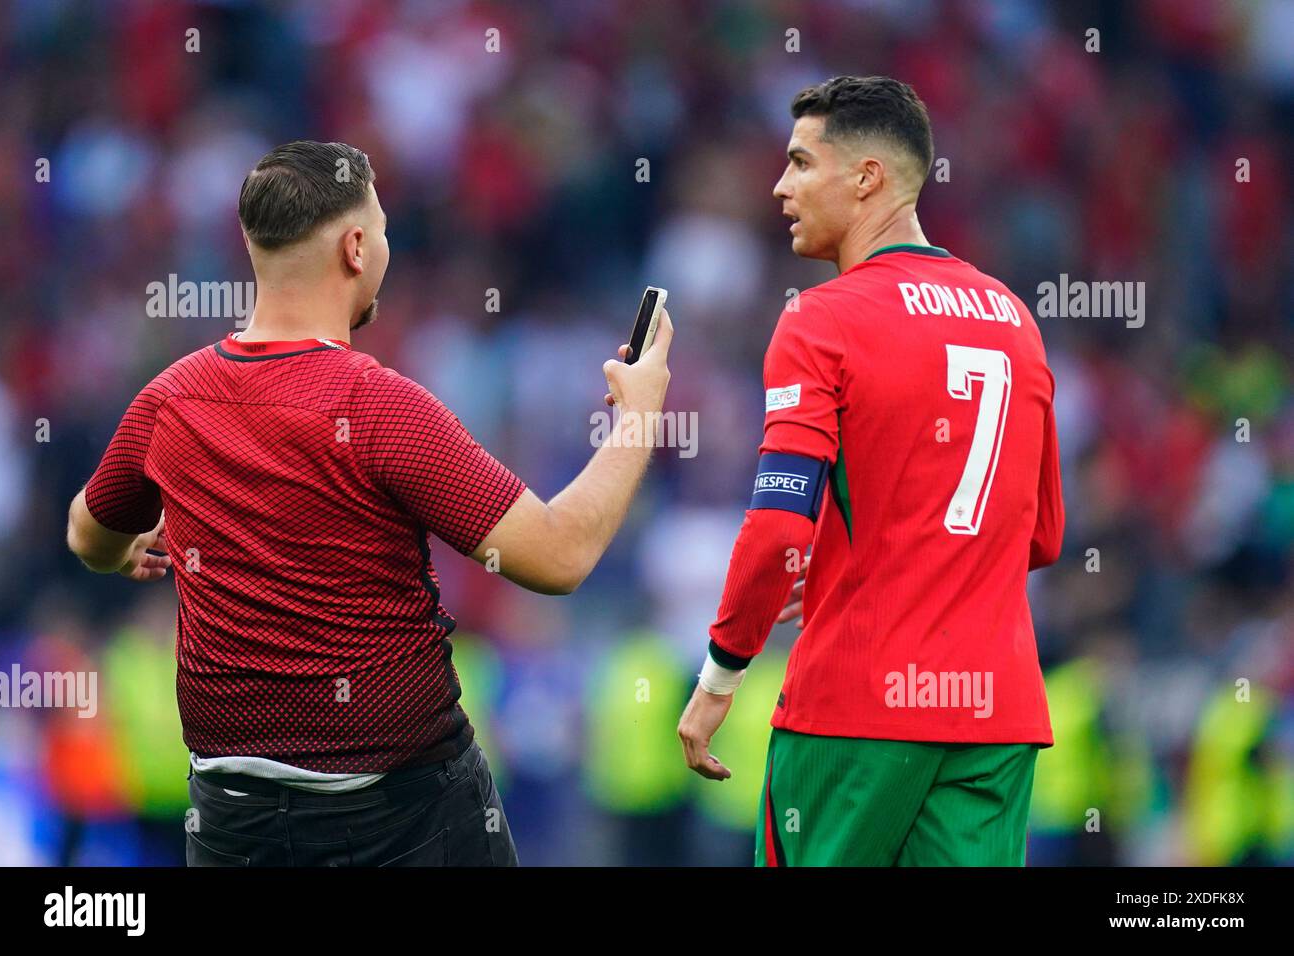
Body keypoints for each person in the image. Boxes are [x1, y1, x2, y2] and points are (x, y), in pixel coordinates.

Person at [65, 141, 672, 866]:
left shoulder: (169, 401)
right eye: (381, 229)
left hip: (232, 828)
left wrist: (128, 542)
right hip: (406, 822)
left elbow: (86, 532)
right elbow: (560, 555)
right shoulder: (378, 407)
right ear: (356, 247)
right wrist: (639, 415)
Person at [676, 76, 1064, 866]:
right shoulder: (1014, 320)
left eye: (799, 163)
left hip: (857, 709)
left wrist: (720, 675)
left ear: (867, 178)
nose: (780, 186)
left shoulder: (821, 320)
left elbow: (780, 527)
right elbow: (1040, 534)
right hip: (995, 714)